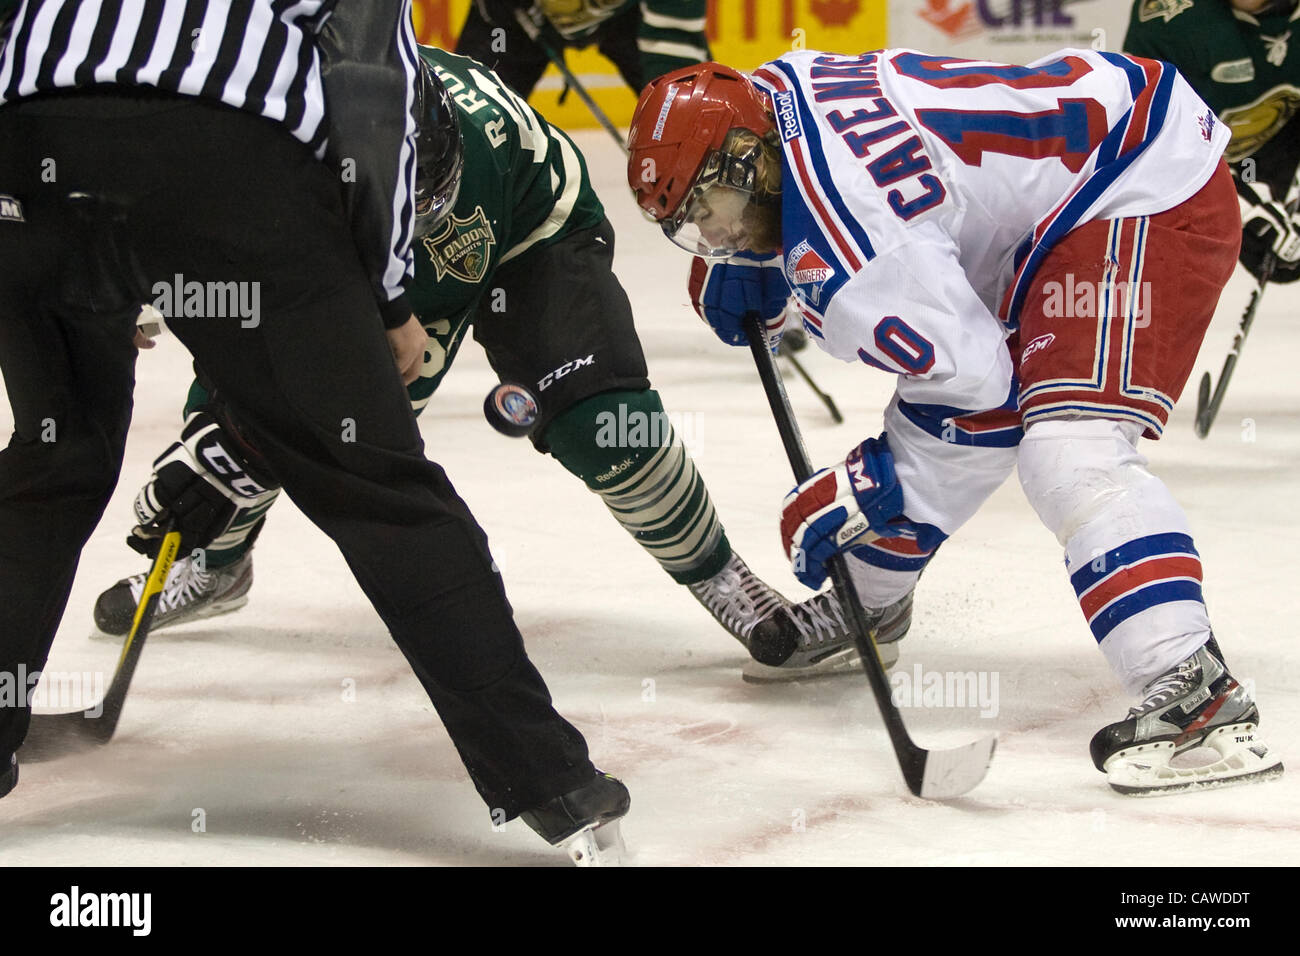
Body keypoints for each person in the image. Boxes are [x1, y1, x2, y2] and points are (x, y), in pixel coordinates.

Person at [0, 0, 627, 862]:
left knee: (51, 463)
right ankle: (553, 782)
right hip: (226, 166)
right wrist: (389, 293)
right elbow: (374, 86)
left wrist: (82, 254)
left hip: (30, 161)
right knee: (378, 487)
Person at [625, 50, 1285, 794]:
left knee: (1068, 450)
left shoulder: (858, 254)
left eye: (711, 216)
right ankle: (867, 609)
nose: (714, 240)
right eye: (694, 228)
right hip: (1087, 161)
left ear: (748, 161)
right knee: (933, 432)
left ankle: (1198, 692)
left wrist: (867, 488)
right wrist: (757, 253)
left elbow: (984, 401)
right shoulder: (766, 91)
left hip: (1145, 184)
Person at [93, 46, 862, 682]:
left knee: (604, 422)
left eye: (429, 193)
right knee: (237, 398)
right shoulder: (263, 147)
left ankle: (718, 572)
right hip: (330, 246)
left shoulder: (471, 164)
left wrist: (283, 429)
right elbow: (170, 214)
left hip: (530, 230)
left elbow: (398, 364)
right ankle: (220, 566)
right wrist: (121, 285)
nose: (420, 215)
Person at [1125, 0, 1300, 283]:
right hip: (1200, 169)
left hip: (1269, 154)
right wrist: (1238, 203)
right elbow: (1138, 134)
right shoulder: (1171, 14)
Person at [456, 0, 708, 99]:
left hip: (627, 16)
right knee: (473, 107)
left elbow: (675, 36)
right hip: (520, 18)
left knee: (691, 103)